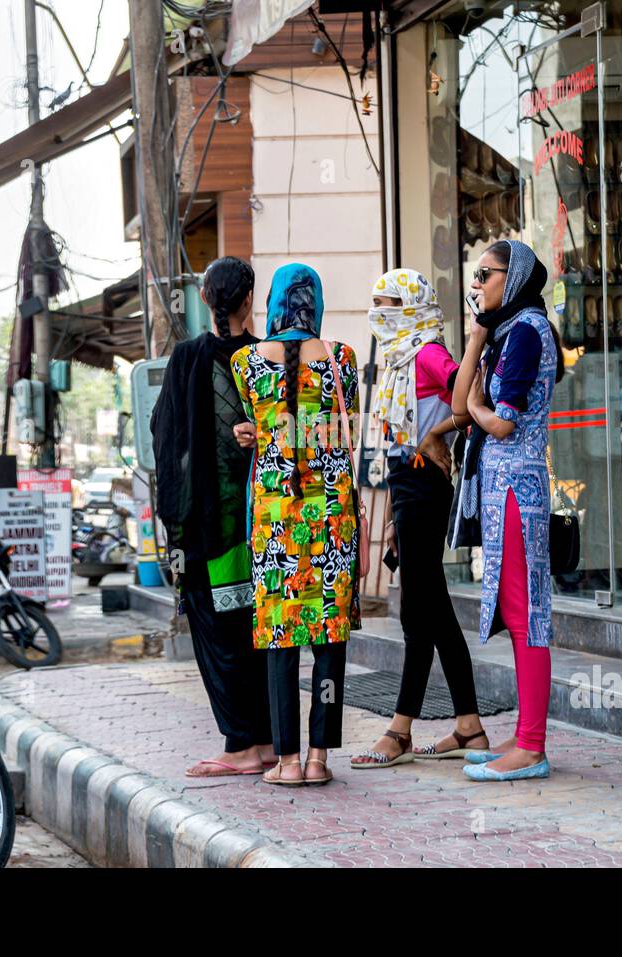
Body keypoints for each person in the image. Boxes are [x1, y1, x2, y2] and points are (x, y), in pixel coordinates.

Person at [350, 268, 489, 769]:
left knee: (418, 610)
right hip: (405, 482)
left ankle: (400, 729)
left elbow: (474, 400)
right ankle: (469, 727)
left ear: (411, 308)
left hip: (425, 481)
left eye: (388, 304)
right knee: (435, 610)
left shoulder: (428, 353)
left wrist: (438, 435)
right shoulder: (399, 357)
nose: (379, 313)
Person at [230, 263, 361, 787]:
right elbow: (335, 420)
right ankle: (319, 759)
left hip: (276, 518)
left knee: (281, 640)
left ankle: (286, 762)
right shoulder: (341, 359)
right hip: (331, 517)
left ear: (276, 303)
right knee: (329, 638)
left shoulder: (244, 362)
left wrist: (258, 432)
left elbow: (264, 424)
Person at [150, 256, 274, 778]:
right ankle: (268, 739)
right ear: (250, 300)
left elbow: (165, 436)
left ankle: (241, 744)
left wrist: (174, 522)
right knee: (259, 630)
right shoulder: (267, 359)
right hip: (265, 524)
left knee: (218, 631)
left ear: (205, 300)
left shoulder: (187, 358)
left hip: (209, 530)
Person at [450, 239, 564, 782]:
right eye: (475, 275)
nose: (477, 284)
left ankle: (532, 745)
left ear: (513, 278)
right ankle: (523, 738)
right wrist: (476, 334)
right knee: (517, 615)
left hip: (518, 485)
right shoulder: (504, 331)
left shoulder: (526, 333)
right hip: (504, 487)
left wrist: (476, 407)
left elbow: (501, 422)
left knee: (527, 615)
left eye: (485, 274)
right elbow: (457, 405)